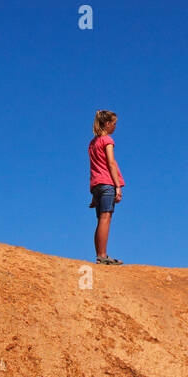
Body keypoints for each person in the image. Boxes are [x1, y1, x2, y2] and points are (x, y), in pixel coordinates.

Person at [88, 109, 124, 264]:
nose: (115, 127)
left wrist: (93, 195)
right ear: (107, 124)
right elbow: (110, 163)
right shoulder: (107, 140)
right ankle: (102, 255)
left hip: (96, 184)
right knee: (105, 218)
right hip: (107, 183)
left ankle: (100, 254)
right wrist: (118, 186)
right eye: (114, 124)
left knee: (100, 220)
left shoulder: (92, 143)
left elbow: (94, 165)